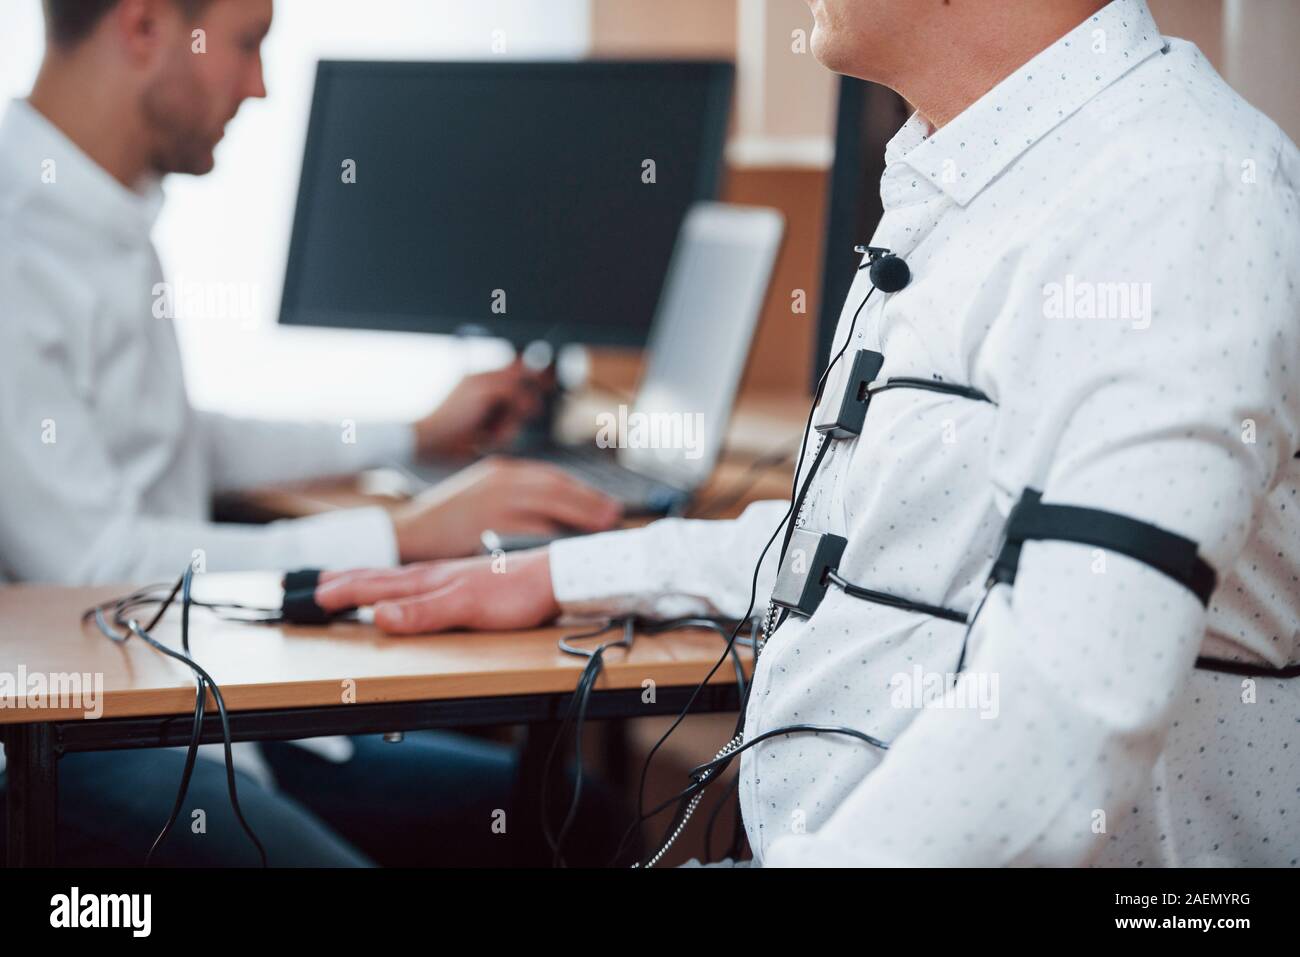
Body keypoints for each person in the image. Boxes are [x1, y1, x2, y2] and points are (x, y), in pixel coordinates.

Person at [316, 0, 1300, 867]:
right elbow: (885, 541)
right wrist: (558, 575)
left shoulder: (1176, 197)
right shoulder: (981, 184)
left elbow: (1062, 717)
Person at [0, 0, 623, 866]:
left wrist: (411, 433)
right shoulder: (16, 242)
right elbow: (91, 563)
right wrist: (399, 534)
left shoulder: (108, 209)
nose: (258, 87)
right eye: (248, 43)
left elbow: (178, 441)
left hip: (192, 699)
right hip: (82, 737)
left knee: (571, 812)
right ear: (144, 29)